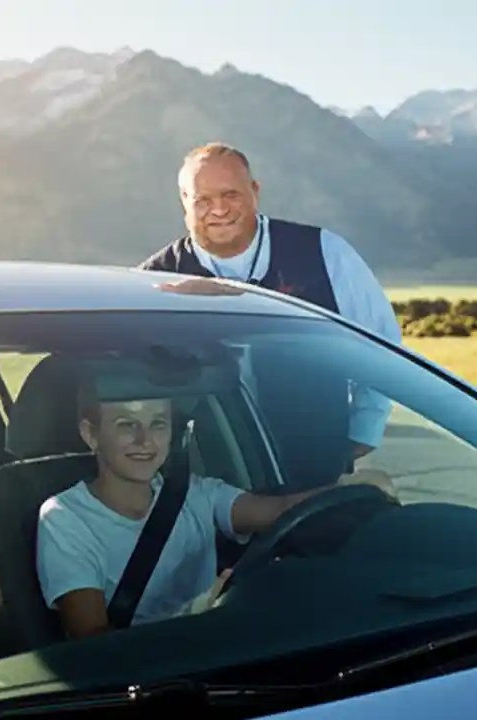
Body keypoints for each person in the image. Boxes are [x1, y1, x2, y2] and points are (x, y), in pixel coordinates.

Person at [36, 379, 396, 640]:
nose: (145, 440)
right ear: (91, 434)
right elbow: (91, 647)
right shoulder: (65, 520)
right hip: (147, 684)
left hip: (224, 655)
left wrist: (351, 489)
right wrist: (192, 616)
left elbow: (280, 511)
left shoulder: (193, 494)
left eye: (158, 424)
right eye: (126, 424)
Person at [140, 142, 402, 458]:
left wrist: (361, 435)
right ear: (184, 203)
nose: (220, 210)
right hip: (197, 470)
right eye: (203, 200)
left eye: (231, 195)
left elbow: (380, 345)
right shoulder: (152, 282)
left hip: (315, 452)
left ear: (255, 190)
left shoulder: (325, 253)